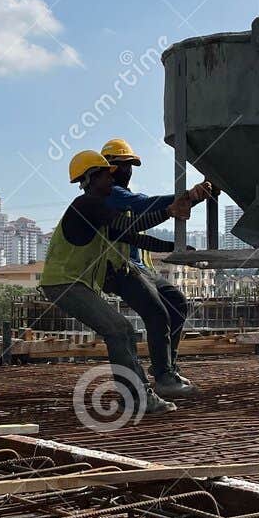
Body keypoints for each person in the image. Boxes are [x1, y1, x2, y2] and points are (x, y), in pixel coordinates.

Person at [40, 151, 180, 417]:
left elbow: (134, 236)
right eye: (106, 175)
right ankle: (137, 398)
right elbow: (133, 223)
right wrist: (170, 210)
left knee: (124, 330)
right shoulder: (86, 205)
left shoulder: (98, 211)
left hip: (74, 284)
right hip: (64, 284)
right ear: (91, 178)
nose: (112, 180)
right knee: (118, 329)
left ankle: (139, 394)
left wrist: (177, 249)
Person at [97, 137, 213, 400]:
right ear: (113, 167)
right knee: (157, 313)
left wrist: (175, 243)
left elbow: (140, 232)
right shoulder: (110, 194)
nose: (129, 172)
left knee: (176, 302)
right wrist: (189, 196)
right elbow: (145, 204)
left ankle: (166, 367)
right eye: (127, 166)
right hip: (117, 269)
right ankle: (163, 377)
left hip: (136, 266)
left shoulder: (118, 197)